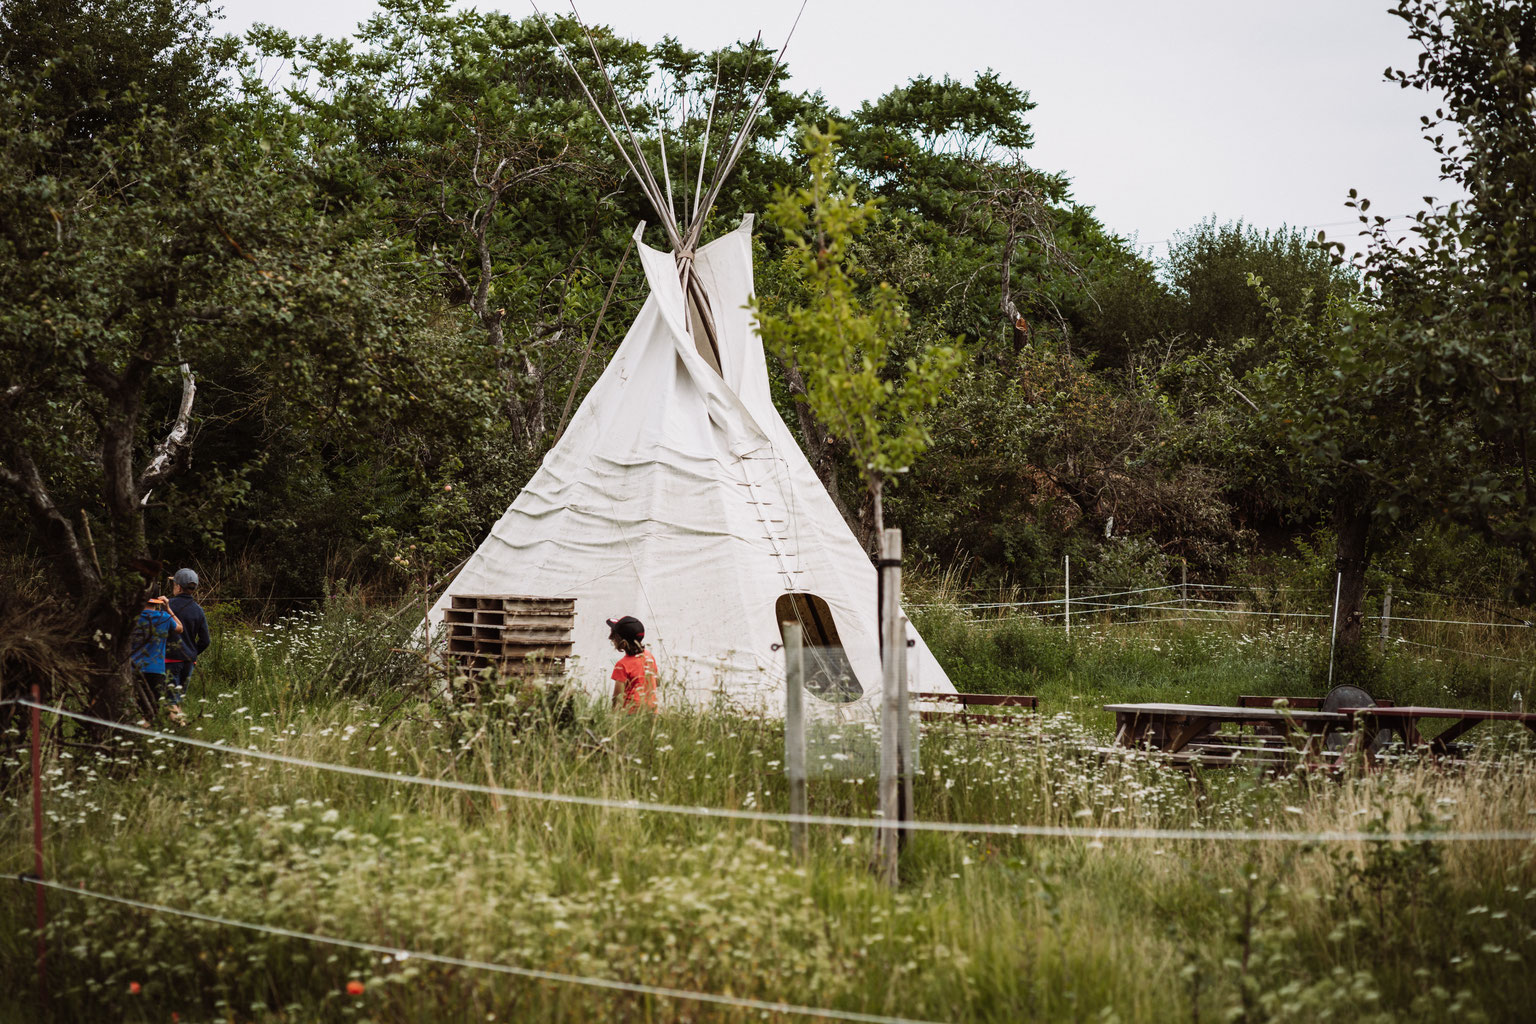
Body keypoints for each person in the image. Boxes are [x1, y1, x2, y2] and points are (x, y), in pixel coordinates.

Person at [164, 568, 211, 719]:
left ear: (178, 586)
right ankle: (178, 729)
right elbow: (205, 641)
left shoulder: (166, 606)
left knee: (170, 702)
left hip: (170, 659)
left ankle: (183, 735)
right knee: (177, 701)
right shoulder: (198, 610)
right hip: (189, 661)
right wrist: (192, 652)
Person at [129, 593, 183, 725]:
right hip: (156, 669)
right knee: (166, 702)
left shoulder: (133, 618)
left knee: (141, 708)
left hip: (135, 668)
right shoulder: (164, 617)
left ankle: (145, 732)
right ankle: (182, 728)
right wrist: (168, 608)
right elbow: (180, 628)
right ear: (157, 601)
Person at [607, 615, 658, 712]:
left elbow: (617, 699)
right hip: (651, 712)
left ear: (623, 644)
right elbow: (657, 682)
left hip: (630, 715)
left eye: (614, 636)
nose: (610, 638)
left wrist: (612, 720)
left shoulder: (622, 665)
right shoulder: (649, 656)